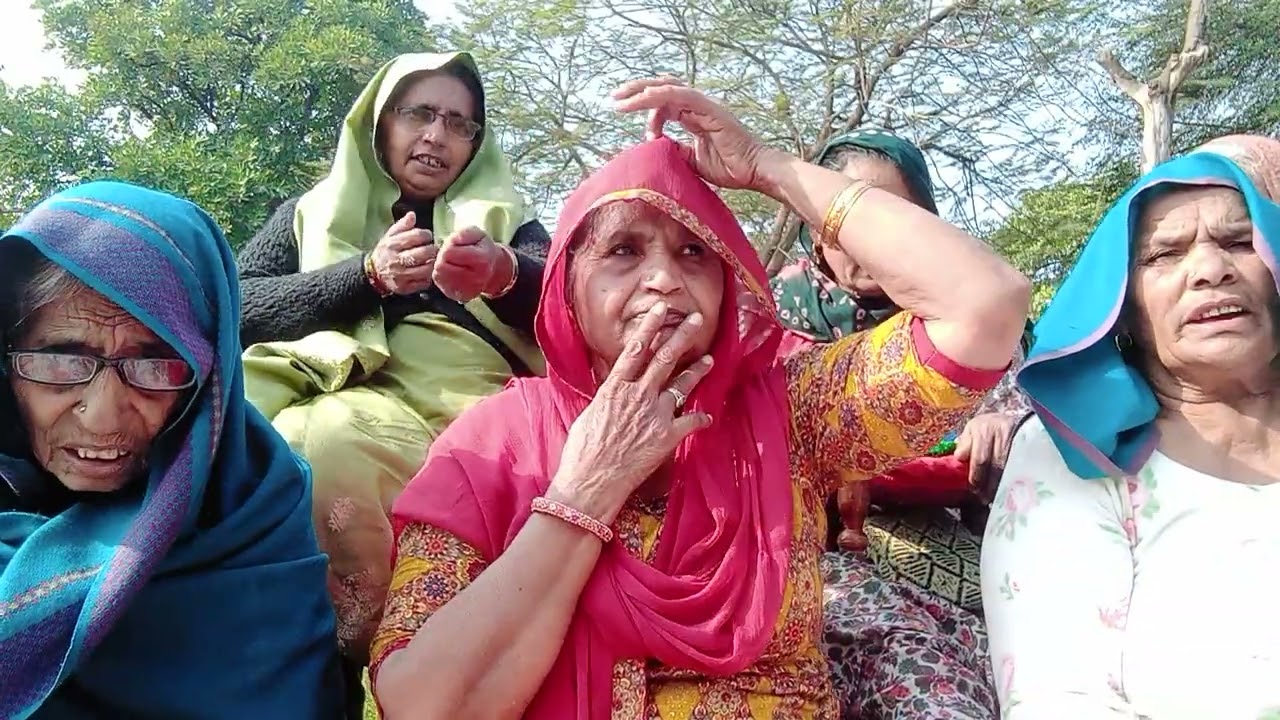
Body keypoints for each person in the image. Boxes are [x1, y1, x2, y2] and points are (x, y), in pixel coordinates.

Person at [370, 77, 1030, 719]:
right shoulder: (492, 445)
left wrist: (767, 167)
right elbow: (420, 705)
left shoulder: (792, 411)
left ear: (726, 285)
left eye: (694, 251)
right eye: (622, 250)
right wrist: (584, 494)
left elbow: (986, 302)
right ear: (566, 288)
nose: (664, 278)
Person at [236, 51, 548, 665]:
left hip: (467, 413)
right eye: (419, 114)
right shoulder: (311, 214)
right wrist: (366, 278)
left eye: (459, 124)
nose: (437, 136)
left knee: (326, 437)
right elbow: (238, 305)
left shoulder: (509, 222)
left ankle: (381, 650)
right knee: (243, 436)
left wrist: (502, 272)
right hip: (324, 385)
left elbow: (571, 305)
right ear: (379, 123)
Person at [0, 181, 343, 719]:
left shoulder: (254, 506)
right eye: (61, 361)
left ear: (209, 376)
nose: (103, 416)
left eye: (154, 366)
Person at [981, 135, 1280, 719]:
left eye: (1238, 241)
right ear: (1123, 310)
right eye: (1165, 254)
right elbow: (1057, 698)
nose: (1210, 270)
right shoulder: (1070, 457)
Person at [770, 129, 1027, 718]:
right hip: (806, 559)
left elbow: (1013, 438)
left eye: (889, 216)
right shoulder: (766, 322)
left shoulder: (975, 321)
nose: (867, 243)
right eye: (850, 217)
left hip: (953, 545)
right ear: (818, 228)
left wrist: (1007, 425)